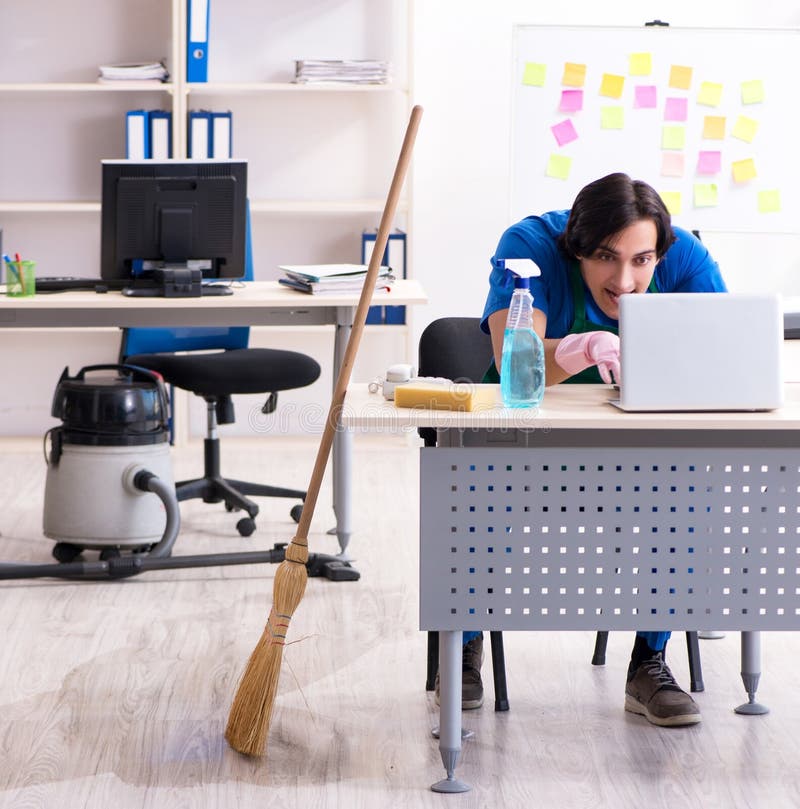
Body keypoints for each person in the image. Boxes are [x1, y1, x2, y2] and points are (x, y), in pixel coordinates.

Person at [473, 172, 727, 726]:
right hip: (523, 445)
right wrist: (582, 347)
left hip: (634, 451)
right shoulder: (530, 247)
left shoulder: (685, 256)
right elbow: (515, 363)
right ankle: (463, 640)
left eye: (642, 261)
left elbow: (723, 350)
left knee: (686, 497)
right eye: (607, 258)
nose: (625, 280)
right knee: (471, 496)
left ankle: (648, 663)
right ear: (576, 248)